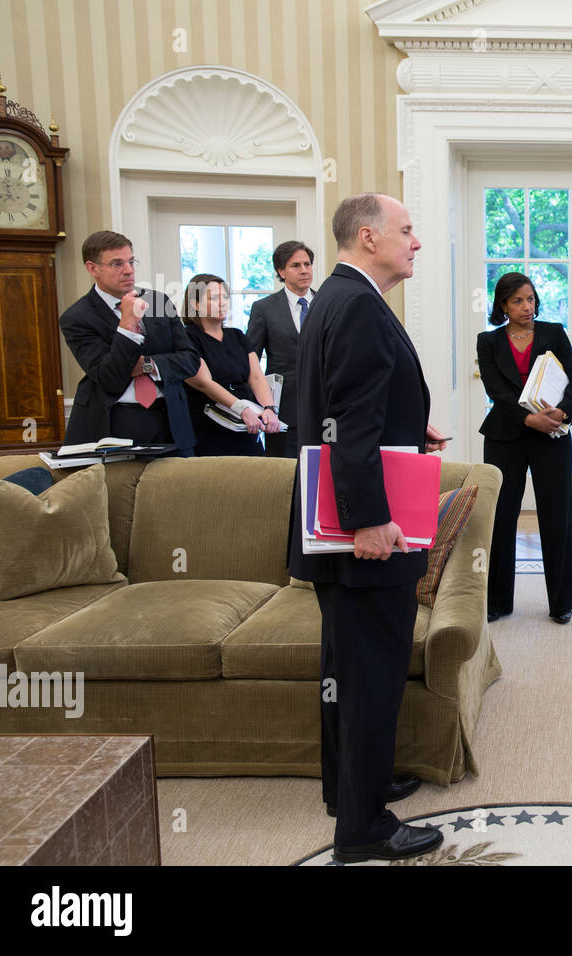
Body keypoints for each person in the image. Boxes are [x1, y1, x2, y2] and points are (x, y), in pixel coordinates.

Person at [287, 193, 449, 864]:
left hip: (342, 524)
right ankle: (363, 829)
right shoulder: (356, 304)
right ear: (367, 235)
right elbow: (349, 424)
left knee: (345, 671)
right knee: (371, 676)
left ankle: (352, 787)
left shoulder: (339, 295)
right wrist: (370, 521)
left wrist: (414, 431)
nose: (415, 242)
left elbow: (345, 406)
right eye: (406, 231)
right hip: (362, 535)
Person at [477, 272, 572, 625]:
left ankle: (561, 604)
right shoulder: (488, 341)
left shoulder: (554, 333)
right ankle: (497, 601)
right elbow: (496, 391)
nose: (528, 306)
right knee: (501, 519)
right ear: (502, 306)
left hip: (551, 437)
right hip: (504, 438)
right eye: (518, 301)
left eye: (531, 299)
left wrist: (563, 411)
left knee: (556, 519)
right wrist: (528, 420)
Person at [59, 230, 200, 455]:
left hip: (171, 419)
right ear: (92, 268)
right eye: (117, 264)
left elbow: (191, 360)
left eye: (131, 261)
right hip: (114, 422)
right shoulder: (76, 317)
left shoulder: (157, 301)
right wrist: (127, 326)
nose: (129, 270)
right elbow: (109, 378)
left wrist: (146, 365)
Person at [180, 274, 281, 456]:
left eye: (225, 297)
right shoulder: (187, 338)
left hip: (247, 424)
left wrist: (269, 408)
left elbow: (256, 377)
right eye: (213, 298)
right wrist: (241, 409)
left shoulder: (237, 335)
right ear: (195, 304)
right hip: (210, 426)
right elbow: (204, 382)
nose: (222, 303)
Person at [247, 240, 315, 459]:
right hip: (283, 410)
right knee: (284, 477)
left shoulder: (328, 302)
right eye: (296, 265)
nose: (304, 270)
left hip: (324, 408)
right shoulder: (264, 309)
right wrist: (261, 406)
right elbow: (251, 360)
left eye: (307, 264)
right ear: (281, 271)